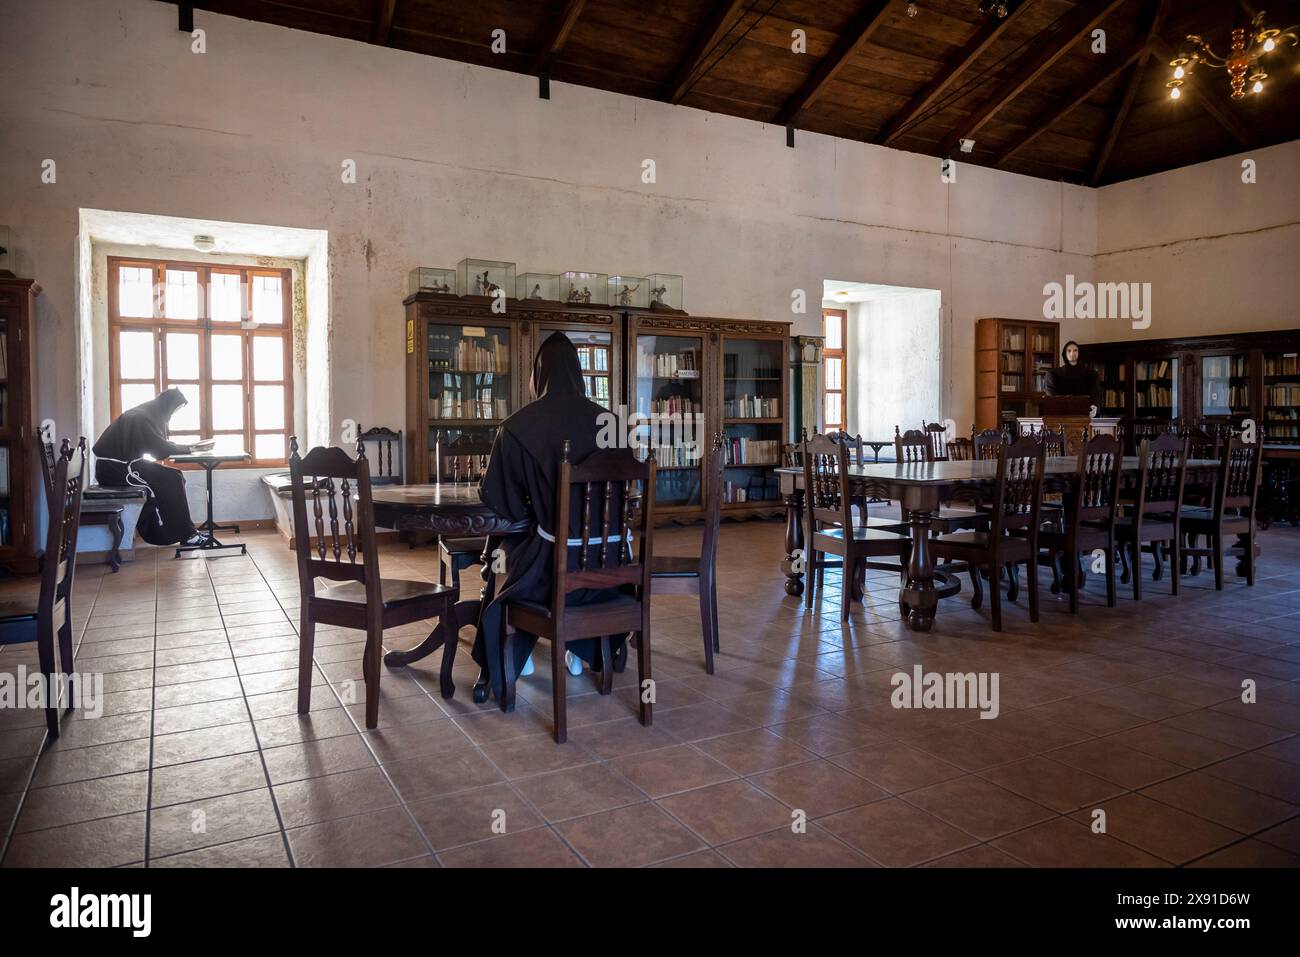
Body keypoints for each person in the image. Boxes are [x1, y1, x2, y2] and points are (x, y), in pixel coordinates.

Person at [470, 333, 631, 705]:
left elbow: (500, 502)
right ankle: (582, 648)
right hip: (610, 569)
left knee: (502, 556)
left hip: (550, 573)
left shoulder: (517, 425)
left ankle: (515, 653)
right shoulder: (613, 423)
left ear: (537, 375)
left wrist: (537, 508)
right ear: (579, 373)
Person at [93, 388, 207, 547]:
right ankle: (186, 534)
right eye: (174, 409)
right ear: (167, 406)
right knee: (172, 480)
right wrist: (189, 448)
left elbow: (156, 446)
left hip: (121, 466)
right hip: (117, 470)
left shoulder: (144, 413)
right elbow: (159, 450)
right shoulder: (142, 417)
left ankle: (185, 531)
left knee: (175, 476)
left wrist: (181, 447)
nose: (172, 414)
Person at [1044, 339, 1101, 408]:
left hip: (1085, 412)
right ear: (1065, 354)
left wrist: (1093, 406)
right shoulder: (1053, 374)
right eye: (1069, 351)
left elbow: (1095, 394)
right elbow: (1053, 398)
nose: (1072, 353)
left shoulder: (1092, 374)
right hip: (1062, 413)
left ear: (1079, 353)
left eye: (1075, 350)